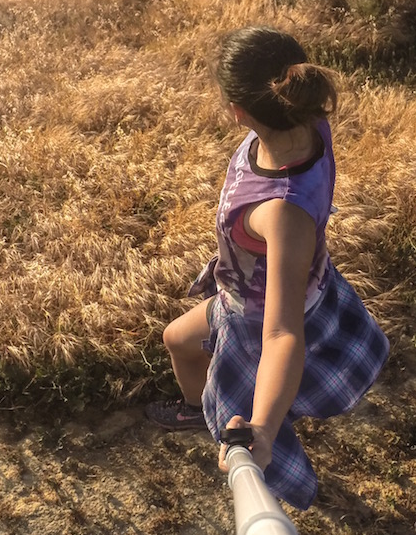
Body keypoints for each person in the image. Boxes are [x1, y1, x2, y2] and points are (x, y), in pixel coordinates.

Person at [145, 26, 389, 510]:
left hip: (255, 321)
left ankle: (270, 460)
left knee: (254, 418)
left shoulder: (281, 212)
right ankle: (197, 408)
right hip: (276, 289)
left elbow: (282, 335)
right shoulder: (311, 125)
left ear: (237, 111)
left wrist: (262, 428)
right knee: (177, 339)